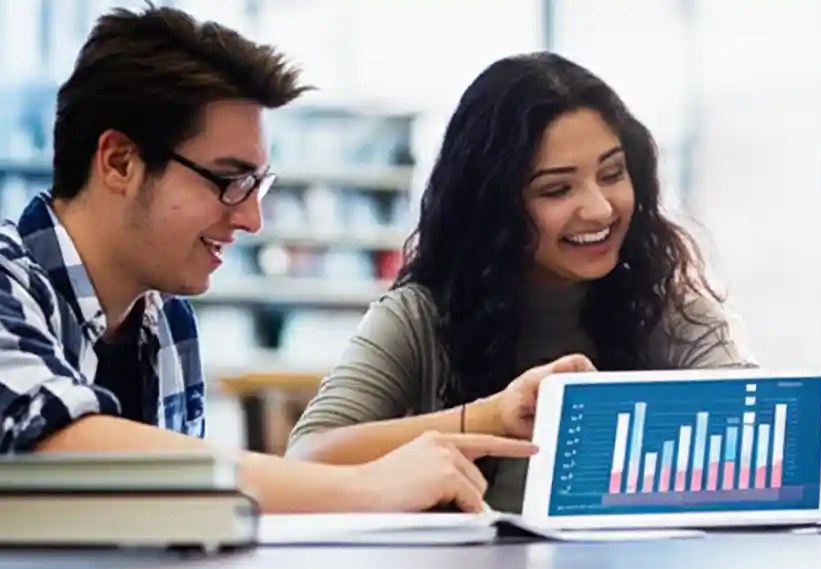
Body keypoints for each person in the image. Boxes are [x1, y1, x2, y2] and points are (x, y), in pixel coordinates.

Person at [0, 5, 535, 513]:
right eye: (230, 181)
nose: (252, 219)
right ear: (119, 162)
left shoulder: (164, 321)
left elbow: (174, 520)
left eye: (257, 184)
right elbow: (57, 445)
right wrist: (364, 486)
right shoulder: (8, 280)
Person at [287, 52, 753, 511]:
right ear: (494, 208)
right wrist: (493, 415)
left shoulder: (665, 309)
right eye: (556, 189)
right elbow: (309, 457)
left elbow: (763, 441)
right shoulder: (419, 317)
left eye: (612, 174)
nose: (600, 209)